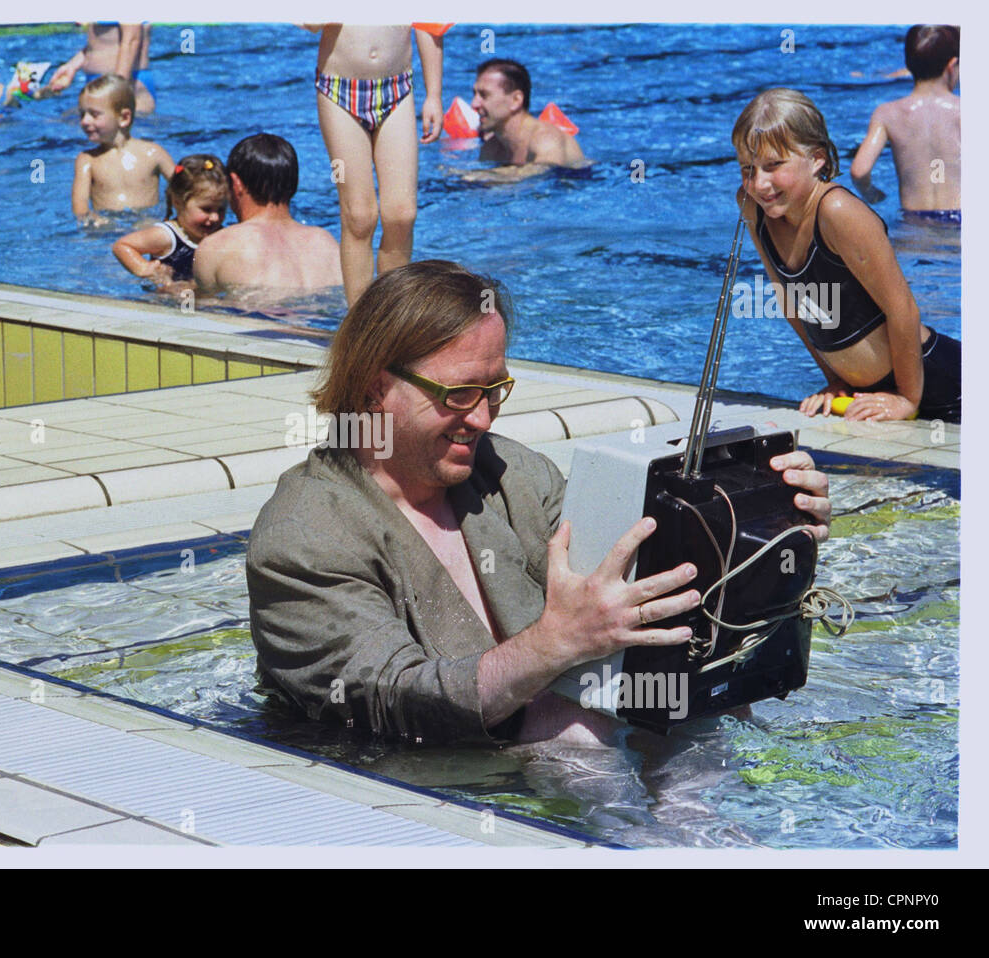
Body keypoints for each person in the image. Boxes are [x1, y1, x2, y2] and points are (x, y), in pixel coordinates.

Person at [246, 260, 832, 745]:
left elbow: (643, 592)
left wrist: (771, 528)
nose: (480, 418)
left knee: (703, 708)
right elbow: (393, 700)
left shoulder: (513, 475)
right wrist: (553, 645)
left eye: (494, 389)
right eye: (458, 394)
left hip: (546, 746)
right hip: (401, 780)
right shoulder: (304, 536)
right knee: (570, 726)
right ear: (376, 387)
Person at [734, 88, 961, 423]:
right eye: (748, 169)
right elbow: (789, 301)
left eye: (773, 165)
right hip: (868, 389)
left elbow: (902, 309)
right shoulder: (753, 209)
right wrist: (834, 379)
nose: (760, 183)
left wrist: (907, 399)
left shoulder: (838, 212)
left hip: (940, 384)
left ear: (817, 158)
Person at [307, 24, 443, 305]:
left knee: (401, 214)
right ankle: (358, 322)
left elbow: (429, 23)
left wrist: (434, 95)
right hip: (339, 89)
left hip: (397, 88)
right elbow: (309, 23)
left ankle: (389, 317)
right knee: (359, 216)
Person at [193, 133, 342, 293]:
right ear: (294, 182)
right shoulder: (327, 243)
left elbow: (205, 309)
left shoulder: (216, 247)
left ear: (236, 183)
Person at [850, 25, 960, 220]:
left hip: (913, 223)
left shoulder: (886, 113)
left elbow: (859, 171)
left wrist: (872, 196)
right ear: (952, 66)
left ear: (907, 65)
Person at [113, 154, 229, 288]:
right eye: (206, 209)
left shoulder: (223, 236)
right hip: (167, 303)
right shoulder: (167, 236)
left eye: (221, 210)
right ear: (178, 203)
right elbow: (122, 246)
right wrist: (144, 268)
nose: (215, 217)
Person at [71, 74, 173, 223]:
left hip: (148, 223)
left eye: (94, 114)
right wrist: (94, 220)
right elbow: (80, 209)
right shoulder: (87, 160)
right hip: (107, 228)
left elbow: (185, 187)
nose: (84, 121)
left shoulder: (153, 153)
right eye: (82, 114)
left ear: (124, 118)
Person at [471, 58, 588, 169]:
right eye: (474, 94)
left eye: (484, 95)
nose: (474, 104)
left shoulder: (546, 140)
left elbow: (541, 174)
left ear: (516, 100)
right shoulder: (492, 148)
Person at [45, 23, 155, 114]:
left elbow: (132, 41)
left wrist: (117, 86)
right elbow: (102, 42)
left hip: (127, 80)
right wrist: (72, 66)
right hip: (103, 81)